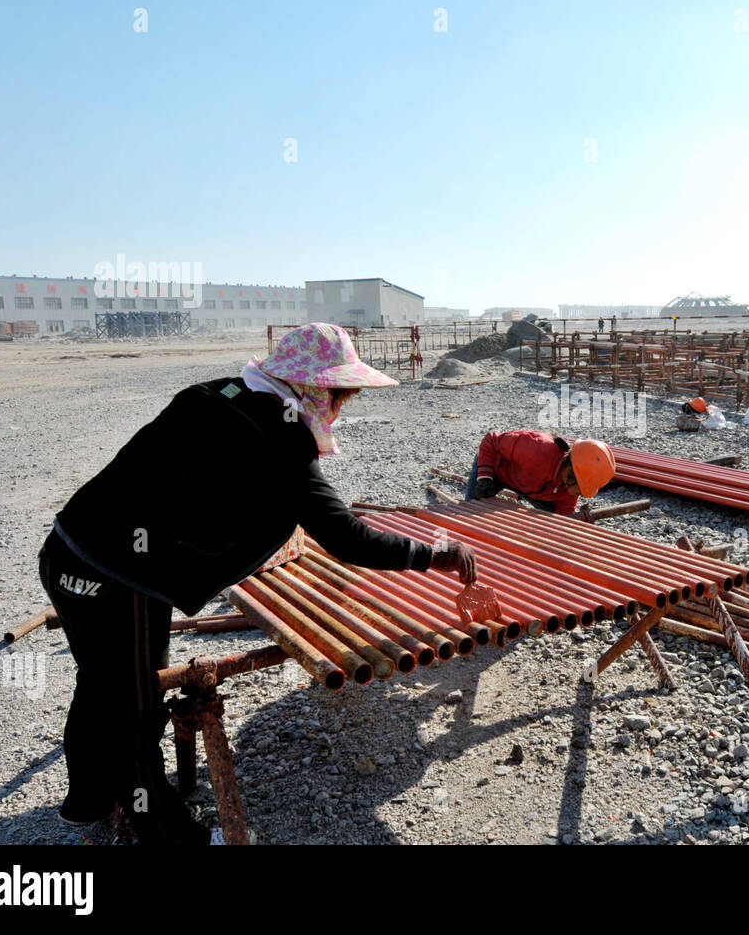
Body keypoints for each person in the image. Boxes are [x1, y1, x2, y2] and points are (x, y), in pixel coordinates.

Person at [38, 323, 476, 845]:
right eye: (341, 396)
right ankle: (166, 833)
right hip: (115, 578)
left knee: (101, 685)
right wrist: (434, 554)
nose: (340, 409)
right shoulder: (282, 437)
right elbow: (347, 537)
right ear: (318, 389)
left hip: (70, 550)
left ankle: (88, 800)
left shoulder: (218, 391)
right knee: (135, 710)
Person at [465, 431, 614, 518]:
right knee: (470, 511)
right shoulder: (537, 449)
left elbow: (562, 520)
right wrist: (484, 476)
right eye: (582, 489)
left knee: (550, 516)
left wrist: (578, 522)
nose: (580, 494)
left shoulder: (568, 491)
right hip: (497, 471)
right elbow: (491, 440)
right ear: (572, 473)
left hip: (528, 485)